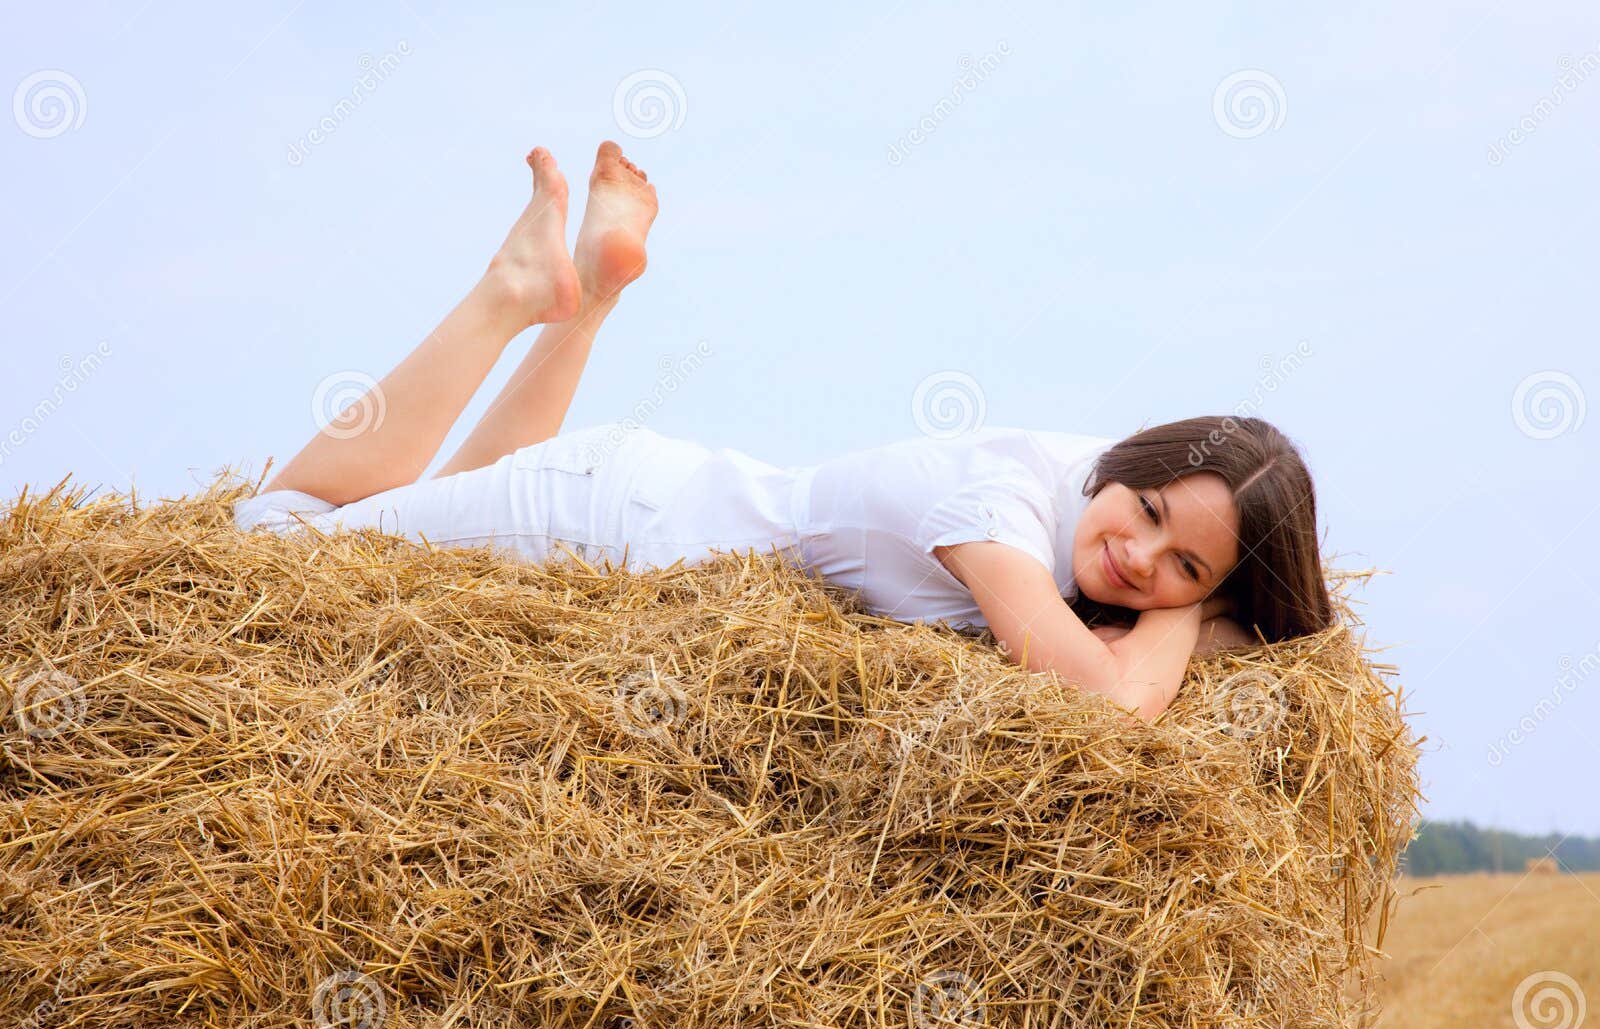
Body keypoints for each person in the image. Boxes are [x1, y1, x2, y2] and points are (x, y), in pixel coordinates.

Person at [234, 142, 1335, 723]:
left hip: (631, 508)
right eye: (1148, 514)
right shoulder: (997, 505)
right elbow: (1109, 709)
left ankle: (589, 295)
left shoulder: (1068, 502)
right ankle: (512, 291)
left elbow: (1235, 644)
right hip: (598, 521)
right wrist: (1190, 615)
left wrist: (1198, 605)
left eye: (1182, 564)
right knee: (263, 546)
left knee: (366, 528)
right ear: (1130, 464)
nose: (1137, 556)